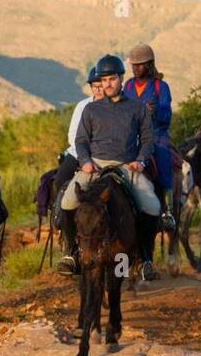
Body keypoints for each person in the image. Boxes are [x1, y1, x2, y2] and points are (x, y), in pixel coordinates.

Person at [61, 54, 163, 281]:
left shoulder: (137, 108)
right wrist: (86, 161)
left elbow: (147, 139)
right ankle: (71, 254)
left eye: (112, 79)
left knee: (152, 206)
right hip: (95, 165)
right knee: (67, 201)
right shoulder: (90, 109)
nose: (107, 84)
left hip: (127, 165)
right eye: (104, 80)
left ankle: (146, 259)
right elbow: (81, 140)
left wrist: (141, 160)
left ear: (121, 79)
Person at [55, 67, 103, 275]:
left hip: (104, 155)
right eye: (95, 86)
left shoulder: (116, 106)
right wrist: (85, 156)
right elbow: (73, 134)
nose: (98, 89)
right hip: (78, 152)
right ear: (91, 87)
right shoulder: (83, 106)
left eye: (101, 85)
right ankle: (68, 243)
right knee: (59, 181)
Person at [122, 43, 176, 231]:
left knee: (162, 162)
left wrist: (154, 113)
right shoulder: (127, 85)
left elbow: (167, 117)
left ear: (150, 64)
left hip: (156, 135)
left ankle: (167, 210)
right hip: (131, 136)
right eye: (133, 65)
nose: (136, 68)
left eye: (140, 65)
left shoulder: (161, 87)